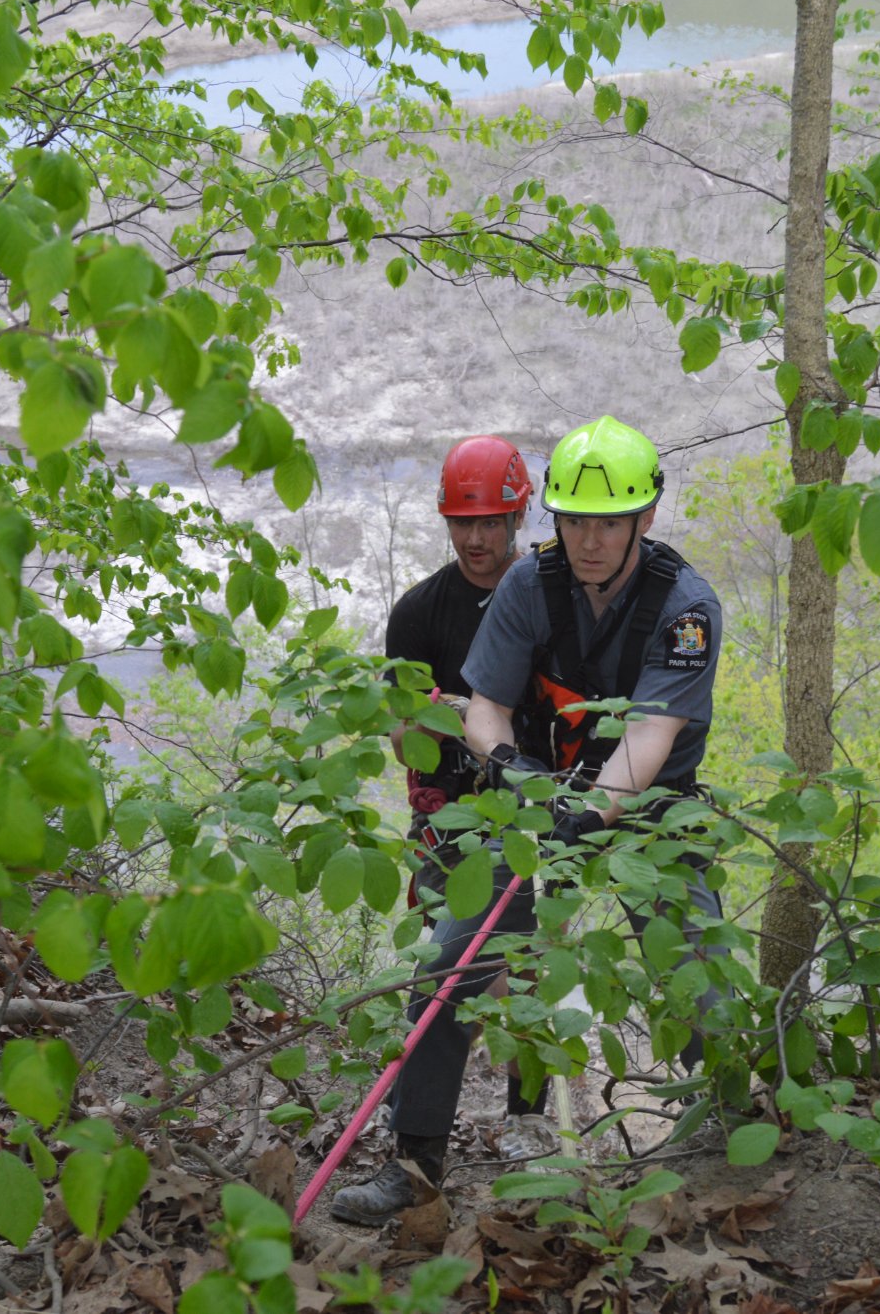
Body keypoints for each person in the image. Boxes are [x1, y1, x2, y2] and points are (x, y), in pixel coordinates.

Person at [333, 415, 730, 1226]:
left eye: (608, 522)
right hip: (532, 793)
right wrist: (510, 766)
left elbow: (651, 738)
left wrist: (585, 813)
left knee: (696, 962)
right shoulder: (529, 585)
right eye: (574, 519)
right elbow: (487, 706)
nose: (588, 539)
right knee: (450, 965)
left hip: (648, 808)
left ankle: (724, 1134)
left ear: (644, 520)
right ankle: (413, 1164)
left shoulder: (686, 608)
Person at [379, 436, 554, 1155]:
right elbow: (401, 735)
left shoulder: (551, 599)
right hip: (447, 810)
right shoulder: (420, 613)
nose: (476, 539)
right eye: (462, 523)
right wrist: (452, 716)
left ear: (518, 518)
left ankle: (528, 1116)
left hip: (540, 804)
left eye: (490, 523)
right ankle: (427, 1129)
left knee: (529, 959)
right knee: (450, 964)